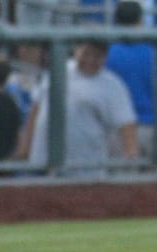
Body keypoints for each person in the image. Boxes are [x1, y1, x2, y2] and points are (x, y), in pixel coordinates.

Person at [24, 42, 139, 176]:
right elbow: (36, 108)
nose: (90, 60)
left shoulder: (112, 85)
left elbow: (126, 123)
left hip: (84, 170)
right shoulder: (57, 71)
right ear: (76, 51)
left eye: (97, 56)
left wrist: (131, 155)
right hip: (42, 163)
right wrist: (25, 147)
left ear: (105, 57)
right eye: (86, 54)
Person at [105, 0, 156, 158]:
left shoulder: (107, 54)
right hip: (152, 127)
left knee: (121, 182)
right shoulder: (156, 52)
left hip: (118, 131)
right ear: (140, 20)